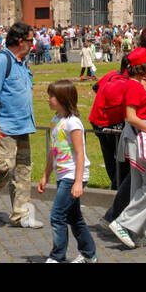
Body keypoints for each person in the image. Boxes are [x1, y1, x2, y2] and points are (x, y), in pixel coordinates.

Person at [0, 22, 42, 229]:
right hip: (4, 125)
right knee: (2, 167)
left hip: (23, 125)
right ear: (20, 41)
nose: (32, 45)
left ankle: (20, 213)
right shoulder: (1, 61)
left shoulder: (21, 63)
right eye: (30, 41)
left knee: (23, 170)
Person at [106, 48, 146, 249]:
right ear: (143, 67)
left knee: (138, 186)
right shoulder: (134, 87)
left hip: (140, 137)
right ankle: (123, 222)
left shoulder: (135, 85)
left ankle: (145, 232)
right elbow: (131, 117)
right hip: (141, 138)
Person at [38, 79, 97, 263]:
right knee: (74, 217)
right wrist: (46, 174)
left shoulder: (74, 123)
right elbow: (53, 150)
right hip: (62, 174)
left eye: (51, 96)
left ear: (63, 99)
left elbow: (80, 154)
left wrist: (78, 182)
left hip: (73, 176)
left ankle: (57, 256)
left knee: (57, 215)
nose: (48, 100)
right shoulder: (56, 120)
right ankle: (89, 254)